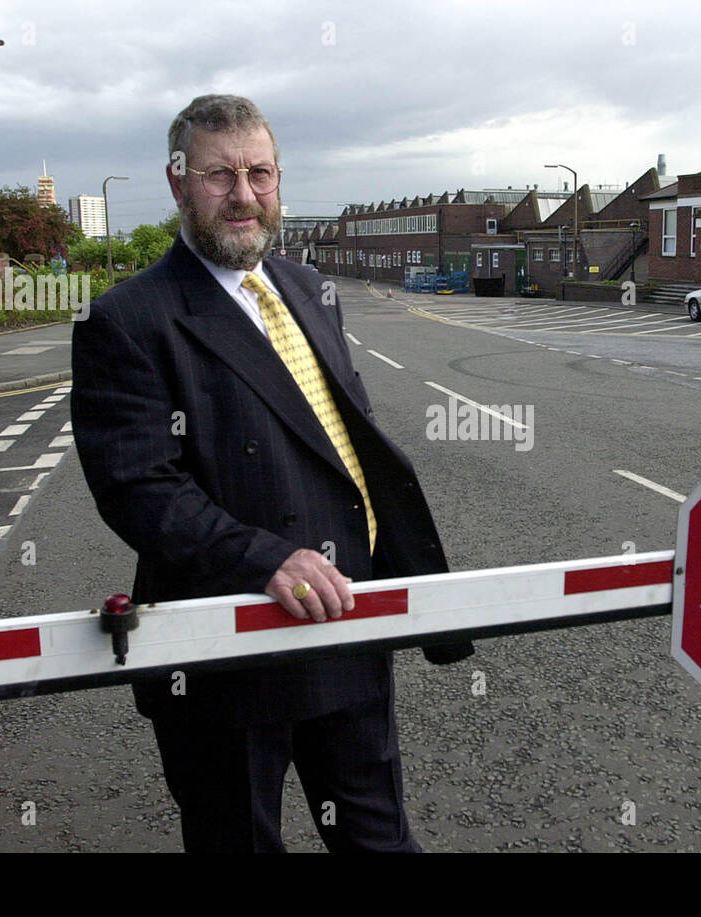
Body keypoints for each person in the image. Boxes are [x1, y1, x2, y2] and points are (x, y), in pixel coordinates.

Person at [70, 94, 471, 853]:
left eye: (260, 173)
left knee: (379, 841)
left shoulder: (308, 287)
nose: (244, 196)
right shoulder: (127, 318)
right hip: (224, 654)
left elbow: (336, 441)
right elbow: (138, 487)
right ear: (179, 182)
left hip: (347, 623)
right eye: (220, 176)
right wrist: (264, 559)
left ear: (280, 179)